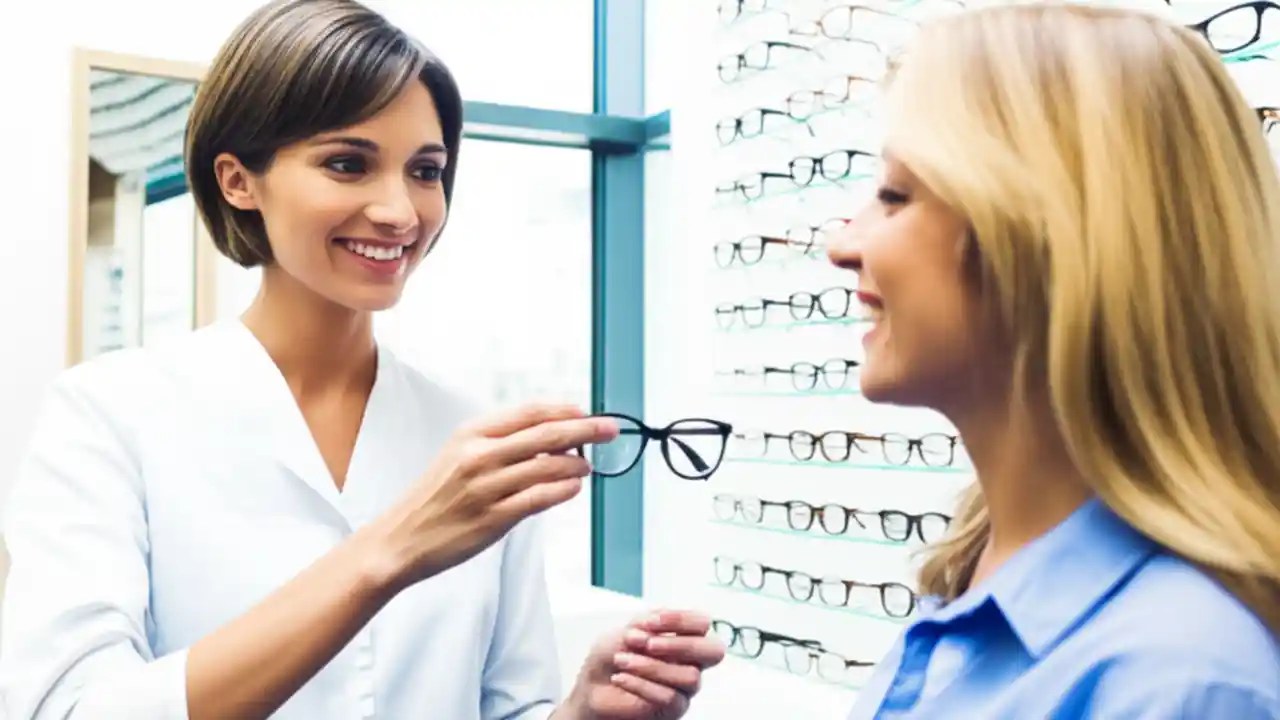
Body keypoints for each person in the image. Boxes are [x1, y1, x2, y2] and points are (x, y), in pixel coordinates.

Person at [0, 1, 724, 718]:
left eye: (426, 170)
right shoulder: (109, 414)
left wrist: (583, 712)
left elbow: (508, 708)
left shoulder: (469, 438)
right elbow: (68, 709)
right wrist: (392, 549)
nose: (401, 212)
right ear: (237, 180)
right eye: (347, 164)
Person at [826, 3, 1280, 718]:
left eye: (894, 195)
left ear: (1042, 241)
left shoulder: (1181, 679)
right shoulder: (977, 579)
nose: (843, 244)